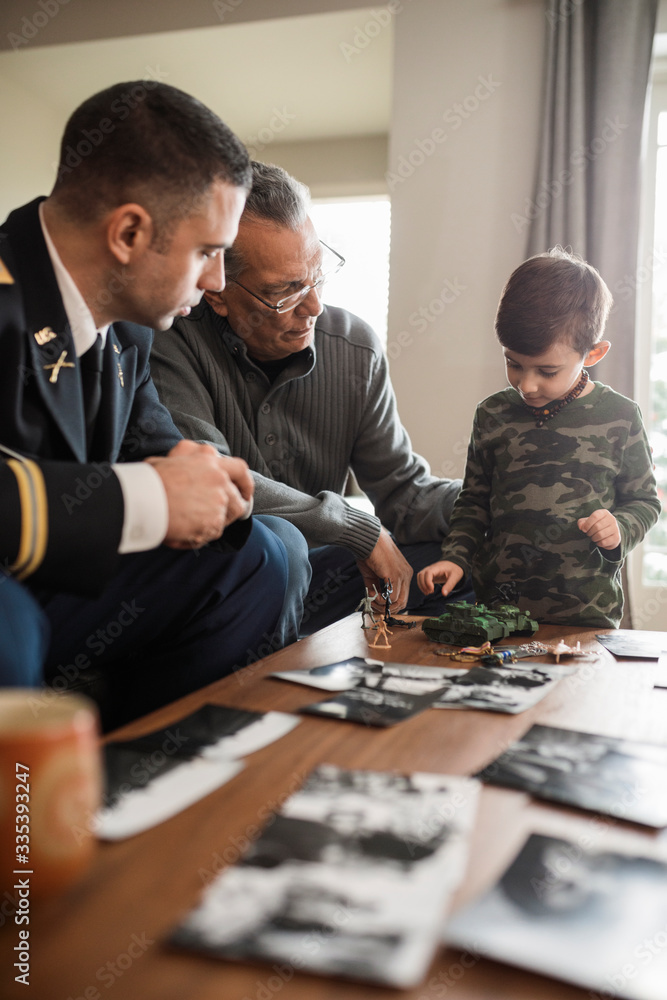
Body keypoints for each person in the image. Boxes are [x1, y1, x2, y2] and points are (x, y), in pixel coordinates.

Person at [0, 82, 309, 726]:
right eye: (208, 252)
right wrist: (149, 498)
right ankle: (32, 822)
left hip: (59, 575)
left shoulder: (130, 324)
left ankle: (160, 781)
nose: (217, 282)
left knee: (259, 552)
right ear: (130, 232)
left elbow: (150, 438)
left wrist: (199, 474)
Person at [150, 161, 466, 634]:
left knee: (466, 550)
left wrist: (491, 502)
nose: (314, 307)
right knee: (276, 545)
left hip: (325, 578)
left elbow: (404, 494)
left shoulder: (355, 348)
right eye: (286, 291)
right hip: (229, 581)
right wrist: (355, 528)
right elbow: (212, 481)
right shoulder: (171, 338)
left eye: (318, 275)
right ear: (217, 291)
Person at [418, 248, 661, 628]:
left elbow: (645, 501)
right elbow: (474, 502)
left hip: (586, 616)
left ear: (593, 353)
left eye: (547, 370)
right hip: (497, 613)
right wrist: (456, 558)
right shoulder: (491, 415)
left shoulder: (621, 416)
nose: (526, 385)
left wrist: (620, 528)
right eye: (513, 363)